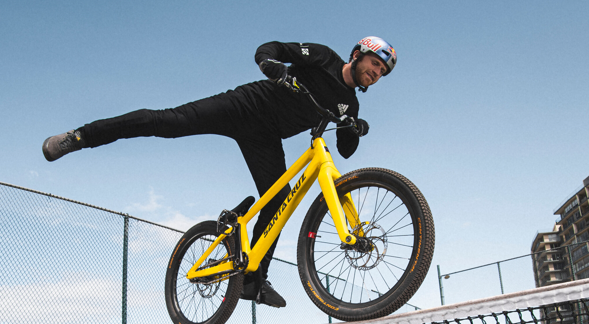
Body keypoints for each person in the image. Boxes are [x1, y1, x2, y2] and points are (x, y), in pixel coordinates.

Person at [42, 37, 397, 309]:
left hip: (266, 138)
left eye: (382, 72)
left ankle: (253, 281)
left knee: (277, 203)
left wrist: (355, 127)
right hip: (242, 106)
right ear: (358, 54)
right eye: (375, 64)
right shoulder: (323, 57)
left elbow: (346, 150)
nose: (376, 72)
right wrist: (271, 65)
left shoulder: (350, 103)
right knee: (167, 121)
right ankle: (80, 137)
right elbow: (269, 48)